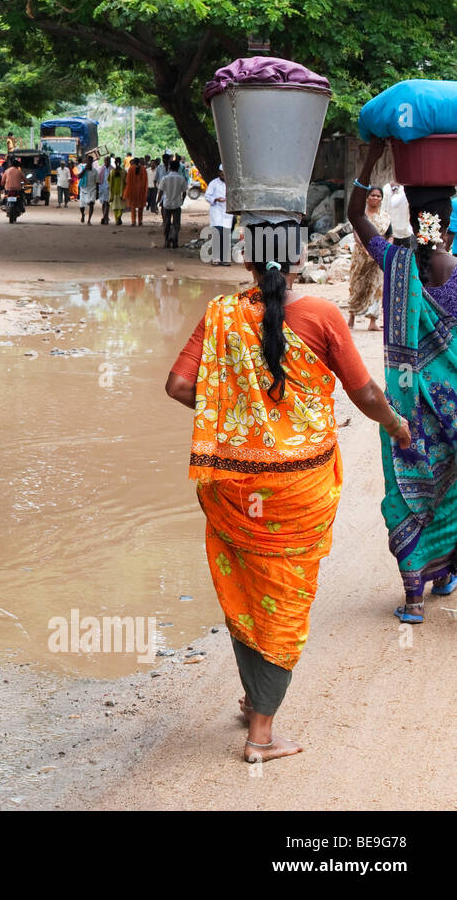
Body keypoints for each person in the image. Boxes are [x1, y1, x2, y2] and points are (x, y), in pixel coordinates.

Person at [166, 223, 410, 762]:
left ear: (247, 260)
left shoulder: (221, 314)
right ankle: (261, 736)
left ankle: (255, 698)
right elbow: (365, 392)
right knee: (284, 597)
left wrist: (236, 422)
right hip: (299, 488)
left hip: (232, 485)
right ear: (297, 258)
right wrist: (395, 425)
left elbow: (180, 387)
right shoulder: (321, 316)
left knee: (246, 587)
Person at [349, 138, 457, 623]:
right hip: (453, 407)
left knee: (407, 490)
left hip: (404, 409)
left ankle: (414, 597)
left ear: (410, 216)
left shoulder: (394, 264)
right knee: (451, 489)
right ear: (450, 225)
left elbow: (356, 215)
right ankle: (447, 573)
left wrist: (372, 159)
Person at [347, 184, 390, 330]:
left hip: (378, 256)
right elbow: (356, 233)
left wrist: (385, 249)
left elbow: (390, 235)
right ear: (367, 198)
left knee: (377, 286)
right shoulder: (361, 216)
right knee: (356, 284)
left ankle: (373, 321)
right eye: (373, 195)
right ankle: (352, 316)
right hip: (361, 255)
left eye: (378, 196)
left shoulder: (385, 218)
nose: (375, 198)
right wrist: (365, 248)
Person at [205, 167, 233, 264]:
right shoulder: (214, 183)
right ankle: (216, 258)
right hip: (216, 212)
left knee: (225, 235)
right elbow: (207, 196)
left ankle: (225, 259)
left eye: (225, 173)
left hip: (227, 213)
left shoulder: (231, 183)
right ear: (219, 173)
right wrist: (216, 199)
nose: (223, 175)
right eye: (221, 173)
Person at [158, 158, 187, 248]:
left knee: (166, 223)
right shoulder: (181, 178)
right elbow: (184, 192)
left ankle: (166, 241)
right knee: (176, 223)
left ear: (170, 167)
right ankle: (174, 241)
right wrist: (182, 200)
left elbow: (160, 192)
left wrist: (158, 201)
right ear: (178, 168)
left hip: (166, 203)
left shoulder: (165, 178)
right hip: (177, 204)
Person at [124, 157, 148, 226]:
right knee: (140, 208)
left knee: (133, 207)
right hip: (141, 190)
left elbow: (127, 181)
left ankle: (133, 221)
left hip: (132, 190)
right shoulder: (143, 169)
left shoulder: (131, 169)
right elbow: (145, 180)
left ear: (133, 162)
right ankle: (140, 221)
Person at [78, 157, 97, 225]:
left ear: (92, 162)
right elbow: (78, 177)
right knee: (81, 206)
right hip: (83, 190)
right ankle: (83, 215)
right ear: (86, 161)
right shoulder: (82, 168)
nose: (89, 162)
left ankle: (89, 220)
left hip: (92, 190)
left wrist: (97, 193)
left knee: (91, 204)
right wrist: (84, 170)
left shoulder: (95, 171)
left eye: (90, 161)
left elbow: (97, 182)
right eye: (88, 161)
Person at [109, 157, 126, 226]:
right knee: (121, 206)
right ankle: (119, 217)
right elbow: (126, 182)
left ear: (115, 163)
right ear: (121, 162)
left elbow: (109, 181)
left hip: (114, 191)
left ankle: (117, 220)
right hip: (122, 191)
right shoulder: (124, 172)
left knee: (115, 207)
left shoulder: (112, 172)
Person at [97, 157, 111, 225]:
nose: (107, 162)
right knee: (103, 203)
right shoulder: (101, 169)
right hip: (102, 187)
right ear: (104, 161)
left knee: (107, 203)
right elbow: (98, 179)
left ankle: (105, 218)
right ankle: (105, 217)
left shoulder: (112, 169)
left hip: (109, 188)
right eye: (106, 161)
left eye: (109, 161)